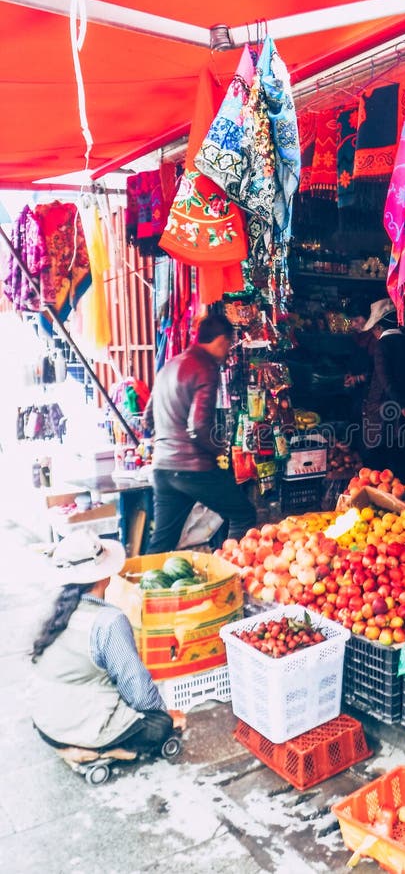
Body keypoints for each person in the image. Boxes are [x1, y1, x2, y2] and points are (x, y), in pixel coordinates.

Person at [31, 530, 185, 755]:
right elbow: (136, 686)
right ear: (104, 576)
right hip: (82, 728)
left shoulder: (51, 605)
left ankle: (74, 748)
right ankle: (99, 752)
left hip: (45, 723)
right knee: (159, 726)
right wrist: (163, 716)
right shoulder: (109, 620)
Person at [143, 313, 256, 552]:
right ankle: (232, 566)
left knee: (162, 540)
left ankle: (144, 576)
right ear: (222, 341)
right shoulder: (205, 367)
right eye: (228, 345)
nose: (227, 353)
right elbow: (198, 427)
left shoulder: (169, 366)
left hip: (163, 468)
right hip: (193, 468)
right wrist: (218, 449)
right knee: (243, 514)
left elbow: (147, 419)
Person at [352, 298, 405, 472]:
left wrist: (400, 403)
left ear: (378, 327)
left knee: (377, 459)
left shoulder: (381, 345)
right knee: (399, 454)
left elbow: (385, 379)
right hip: (404, 409)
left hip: (383, 409)